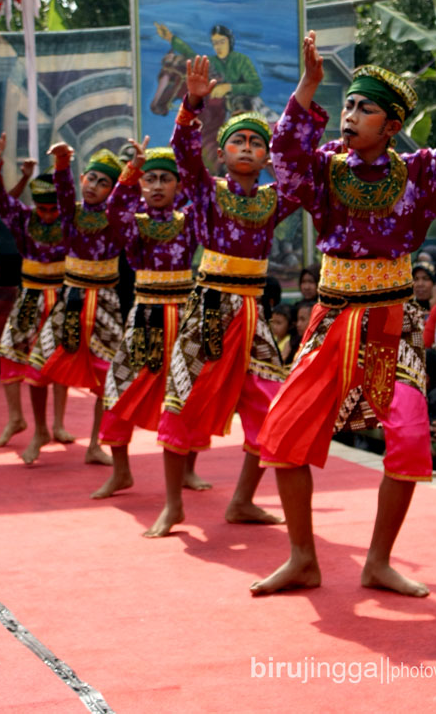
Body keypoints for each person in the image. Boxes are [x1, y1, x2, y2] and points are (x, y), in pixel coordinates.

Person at [250, 30, 436, 597]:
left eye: (364, 108)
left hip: (397, 324)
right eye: (348, 104)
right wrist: (307, 90)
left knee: (411, 439)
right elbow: (285, 160)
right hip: (333, 319)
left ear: (392, 126)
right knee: (283, 435)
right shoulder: (321, 169)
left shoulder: (421, 173)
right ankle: (302, 557)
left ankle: (378, 561)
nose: (350, 114)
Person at [144, 55, 297, 538]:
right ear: (223, 154)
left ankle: (243, 501)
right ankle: (172, 506)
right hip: (209, 307)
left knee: (272, 409)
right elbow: (183, 151)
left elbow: (305, 171)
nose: (248, 147)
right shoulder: (206, 191)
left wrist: (306, 96)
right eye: (238, 141)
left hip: (253, 312)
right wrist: (191, 102)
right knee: (183, 400)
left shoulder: (275, 198)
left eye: (257, 142)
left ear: (267, 157)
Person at [90, 141, 200, 500]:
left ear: (178, 186)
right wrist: (130, 170)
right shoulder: (132, 223)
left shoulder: (191, 219)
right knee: (118, 390)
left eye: (165, 179)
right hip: (145, 315)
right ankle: (121, 472)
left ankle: (188, 471)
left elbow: (204, 191)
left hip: (184, 314)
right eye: (149, 179)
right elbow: (114, 206)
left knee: (188, 392)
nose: (155, 186)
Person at [26, 146, 124, 466]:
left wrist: (132, 171)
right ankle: (40, 431)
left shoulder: (117, 216)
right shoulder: (71, 211)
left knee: (105, 377)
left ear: (113, 189)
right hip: (71, 300)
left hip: (106, 304)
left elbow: (127, 196)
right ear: (82, 179)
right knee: (40, 368)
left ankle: (96, 444)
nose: (93, 185)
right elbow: (64, 189)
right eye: (90, 178)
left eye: (103, 182)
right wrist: (63, 162)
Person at [0, 134, 74, 451]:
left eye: (53, 209)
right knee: (10, 352)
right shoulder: (24, 218)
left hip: (62, 297)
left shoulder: (71, 218)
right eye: (43, 208)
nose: (48, 214)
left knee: (59, 358)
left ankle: (59, 424)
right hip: (30, 296)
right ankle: (16, 419)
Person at [155, 21, 262, 114]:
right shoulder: (211, 61)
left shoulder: (241, 60)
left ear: (230, 41)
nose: (218, 46)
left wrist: (228, 87)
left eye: (222, 42)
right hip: (216, 106)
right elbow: (190, 55)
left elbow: (256, 86)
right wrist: (170, 38)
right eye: (215, 43)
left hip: (243, 105)